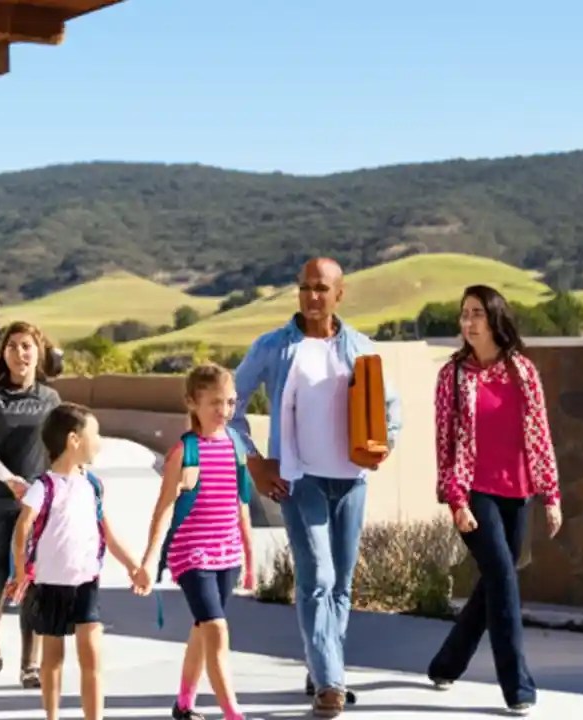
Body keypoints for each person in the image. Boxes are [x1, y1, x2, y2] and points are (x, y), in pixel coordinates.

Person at [229, 257, 402, 718]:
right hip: (297, 479)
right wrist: (254, 461)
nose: (312, 297)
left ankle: (324, 663)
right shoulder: (274, 347)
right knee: (318, 578)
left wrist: (384, 445)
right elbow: (231, 405)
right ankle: (330, 682)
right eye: (305, 288)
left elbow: (391, 409)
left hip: (351, 482)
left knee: (342, 584)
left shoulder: (360, 348)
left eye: (321, 289)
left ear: (339, 294)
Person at [425, 285, 564, 716]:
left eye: (476, 314)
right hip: (475, 493)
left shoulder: (522, 371)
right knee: (503, 578)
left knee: (493, 583)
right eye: (463, 314)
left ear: (494, 319)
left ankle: (446, 664)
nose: (467, 322)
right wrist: (456, 500)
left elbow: (539, 437)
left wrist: (551, 495)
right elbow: (444, 445)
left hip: (517, 492)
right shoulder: (452, 376)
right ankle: (517, 686)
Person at [135, 363, 256, 720]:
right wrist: (147, 561)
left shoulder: (236, 446)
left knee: (203, 628)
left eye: (230, 402)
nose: (224, 411)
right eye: (215, 402)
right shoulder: (184, 452)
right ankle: (234, 714)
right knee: (216, 629)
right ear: (193, 402)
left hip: (227, 554)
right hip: (191, 554)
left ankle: (184, 704)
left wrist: (250, 561)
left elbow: (242, 508)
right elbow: (163, 510)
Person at [8, 402, 142, 720]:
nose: (99, 442)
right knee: (52, 659)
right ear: (74, 440)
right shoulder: (44, 487)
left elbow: (106, 531)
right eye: (94, 435)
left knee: (92, 657)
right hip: (50, 583)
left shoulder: (92, 485)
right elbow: (22, 526)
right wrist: (20, 569)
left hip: (86, 582)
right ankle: (52, 716)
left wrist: (133, 566)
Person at [0, 320, 60, 687]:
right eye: (12, 346)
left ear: (38, 352)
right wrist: (10, 481)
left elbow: (63, 448)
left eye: (27, 346)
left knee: (33, 579)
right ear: (2, 353)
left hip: (38, 500)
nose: (20, 353)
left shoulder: (51, 399)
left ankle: (30, 663)